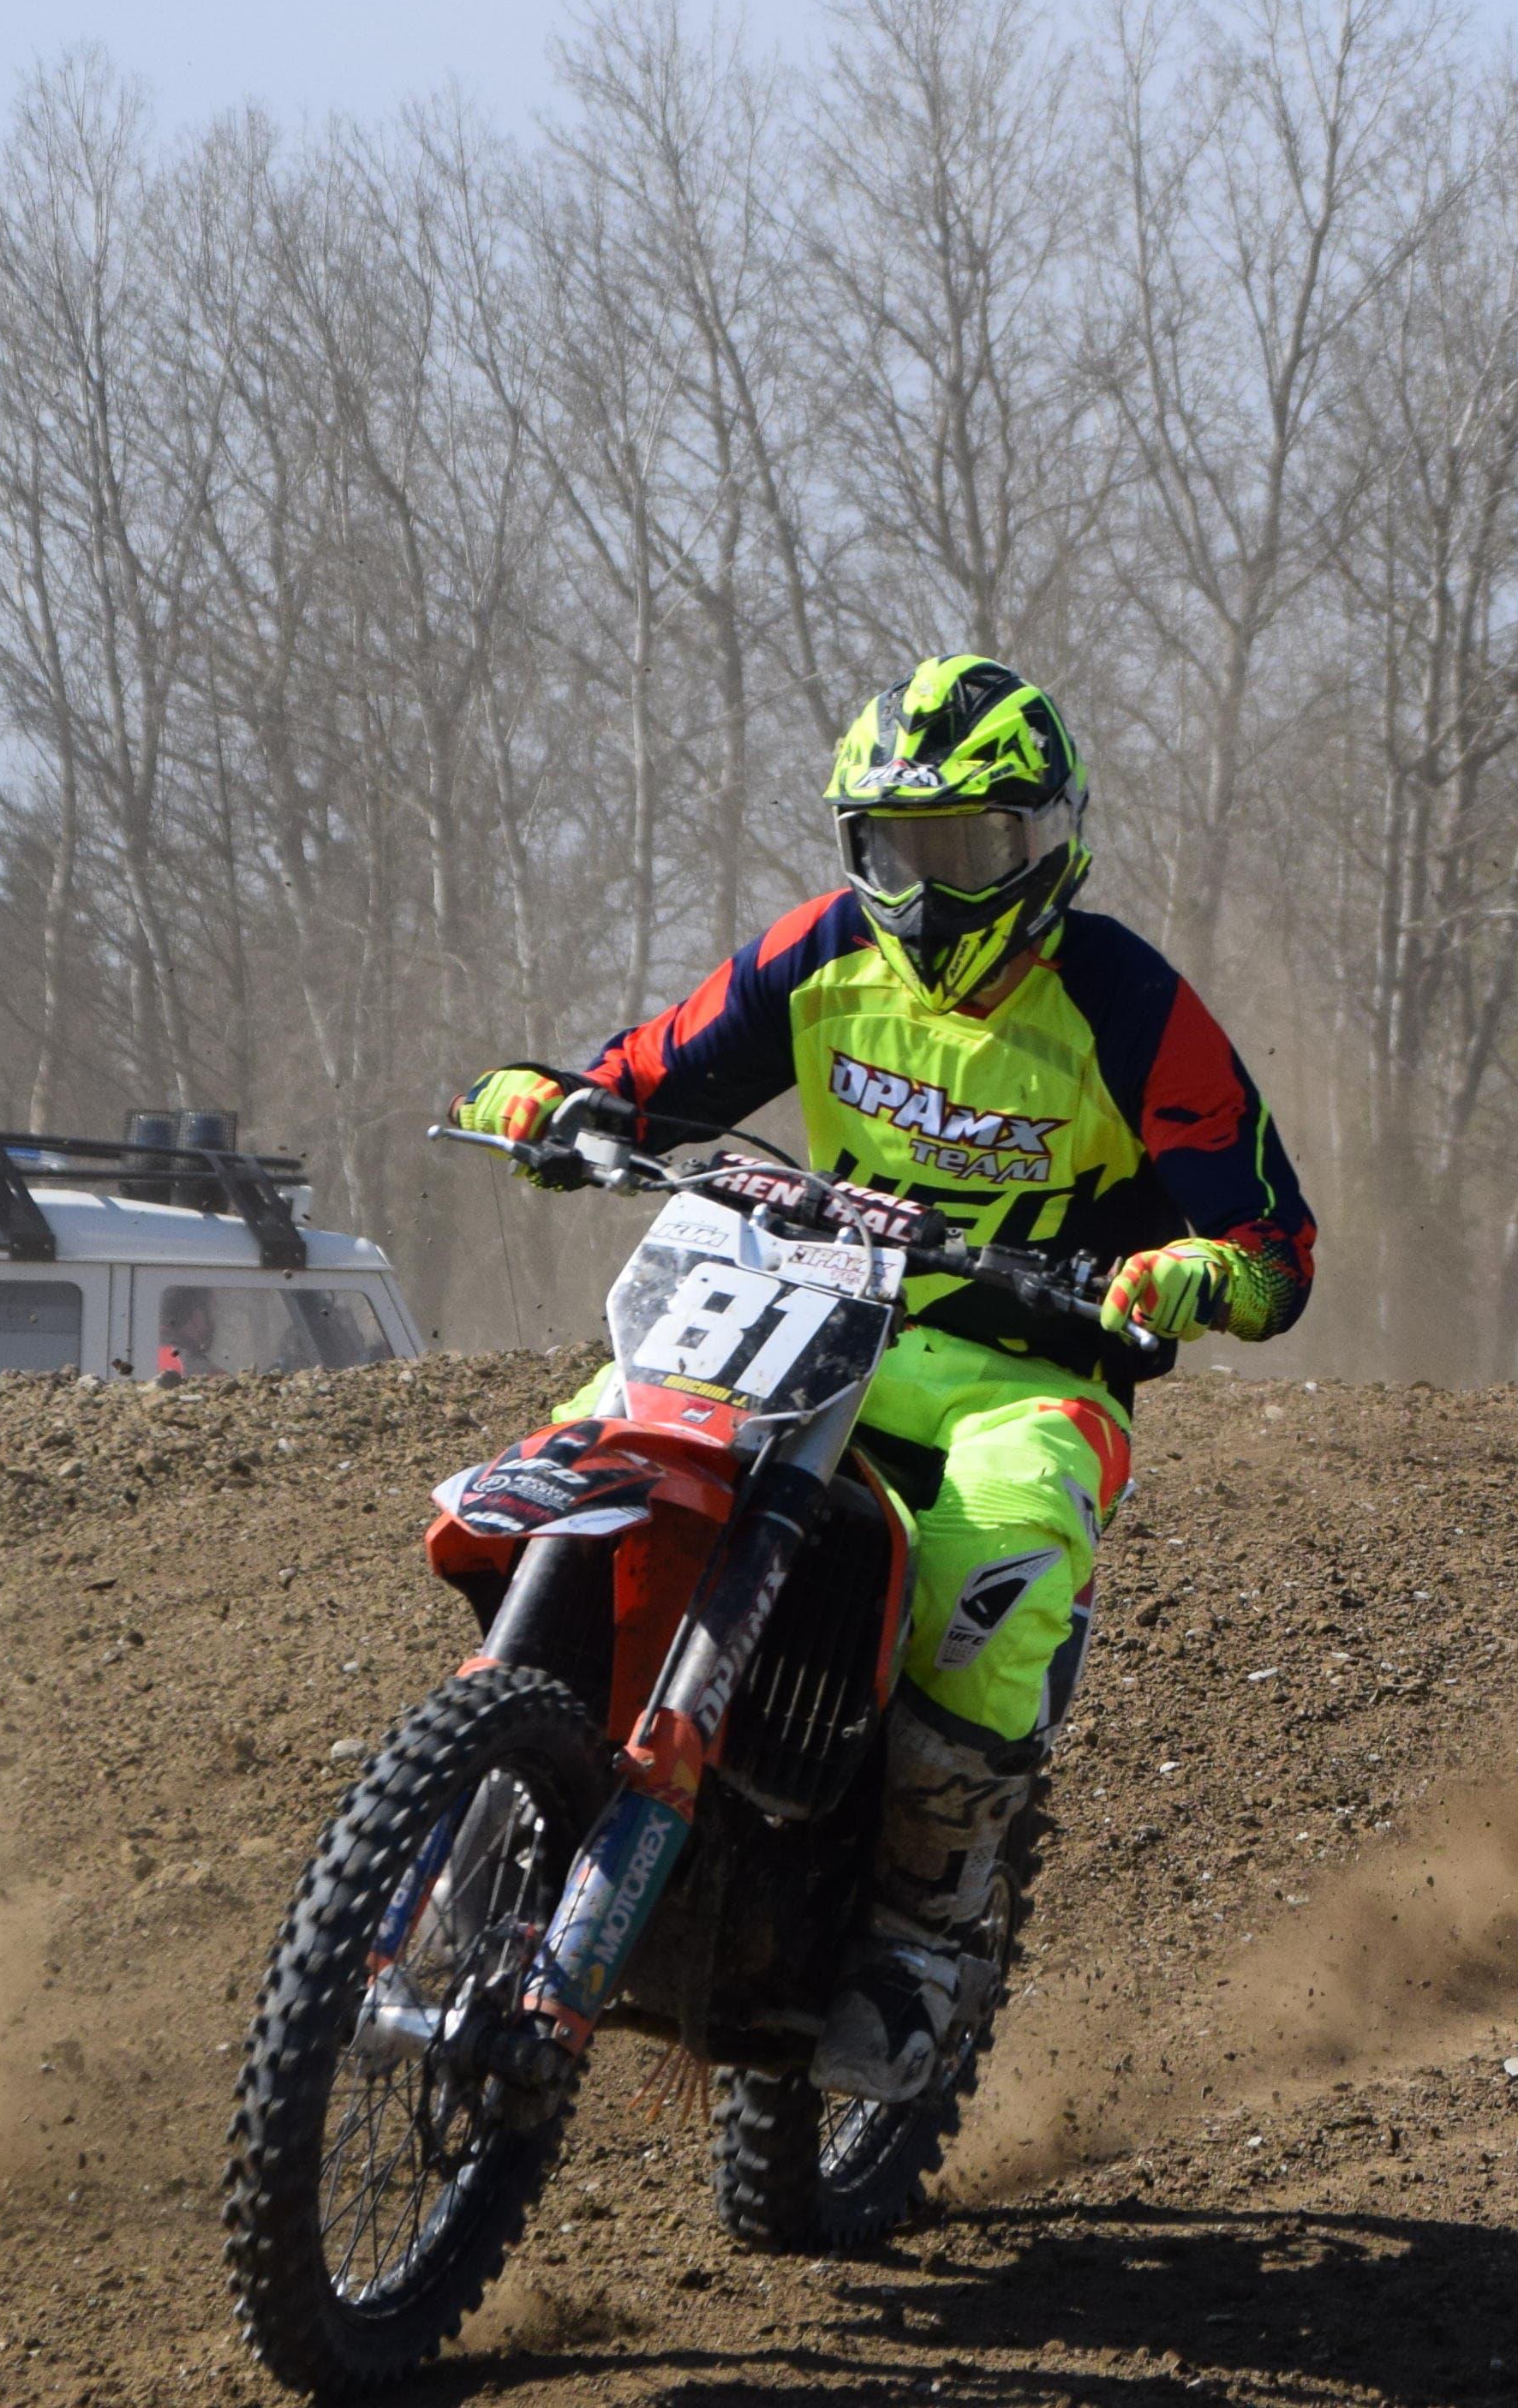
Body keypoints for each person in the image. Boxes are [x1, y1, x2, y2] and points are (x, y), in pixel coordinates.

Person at [448, 652, 1317, 2104]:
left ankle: (925, 1925)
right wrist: (555, 1099)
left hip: (1023, 1369)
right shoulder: (821, 951)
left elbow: (1270, 1238)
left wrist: (1198, 1272)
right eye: (896, 846)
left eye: (966, 847)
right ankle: (483, 1772)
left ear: (1045, 843)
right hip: (799, 1313)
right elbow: (650, 1076)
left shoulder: (1122, 998)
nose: (929, 882)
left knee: (1002, 1554)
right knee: (591, 1442)